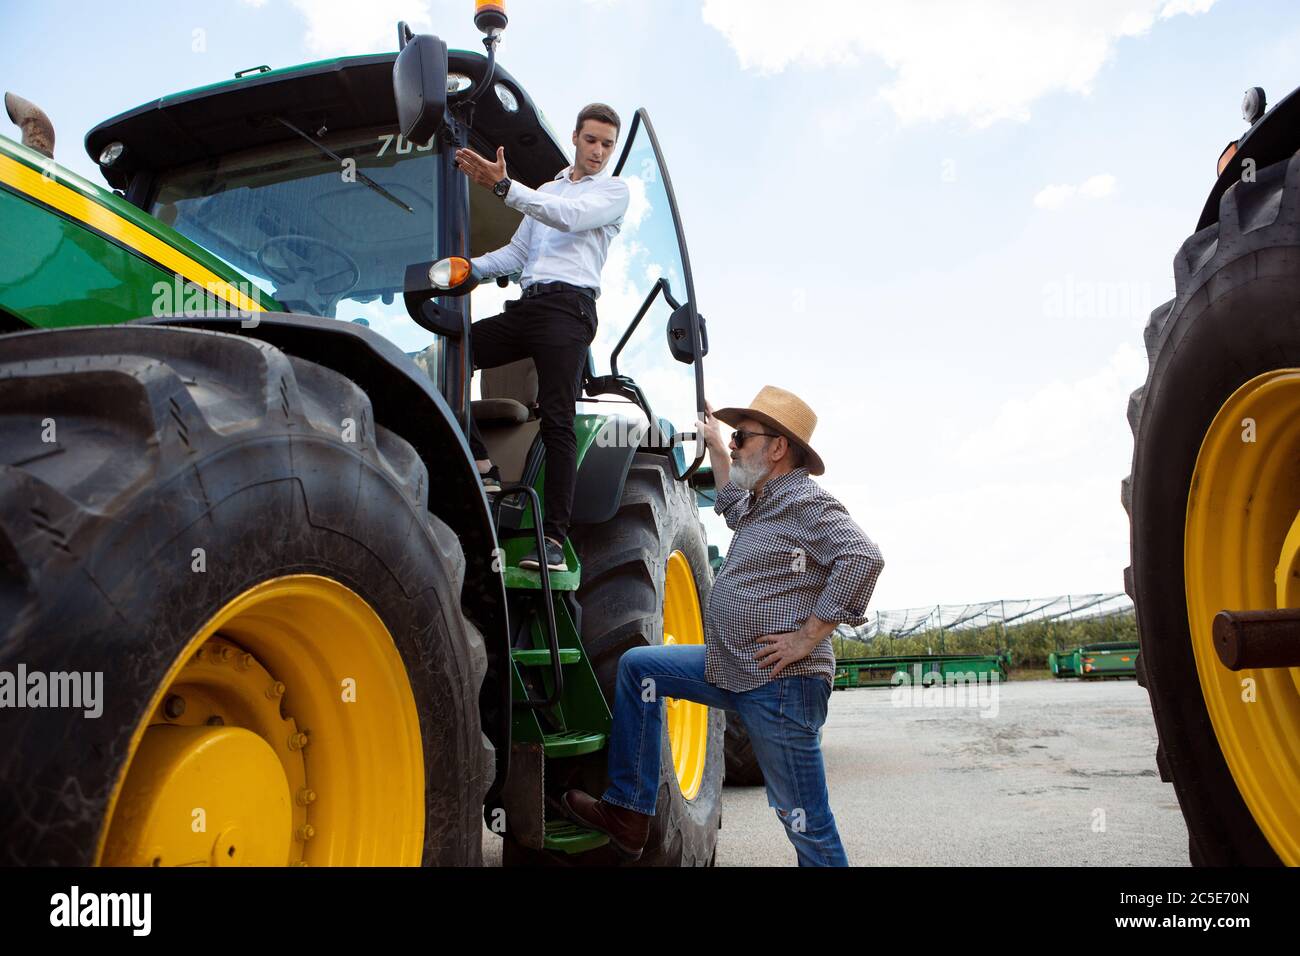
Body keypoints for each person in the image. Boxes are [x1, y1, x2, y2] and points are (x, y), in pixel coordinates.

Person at [560, 385, 885, 865]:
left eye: (742, 437)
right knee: (640, 669)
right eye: (732, 438)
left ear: (777, 449)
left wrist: (808, 636)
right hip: (732, 669)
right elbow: (730, 504)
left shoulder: (806, 502)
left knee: (805, 822)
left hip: (781, 685)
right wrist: (714, 442)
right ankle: (630, 813)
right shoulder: (762, 502)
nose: (733, 445)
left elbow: (862, 556)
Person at [452, 103, 628, 571]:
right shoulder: (548, 189)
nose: (598, 151)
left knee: (558, 419)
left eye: (607, 144)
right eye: (591, 140)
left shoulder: (612, 192)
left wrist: (505, 187)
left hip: (569, 311)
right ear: (576, 137)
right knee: (451, 352)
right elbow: (518, 251)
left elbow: (567, 217)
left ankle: (551, 540)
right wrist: (471, 269)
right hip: (529, 306)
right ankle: (482, 464)